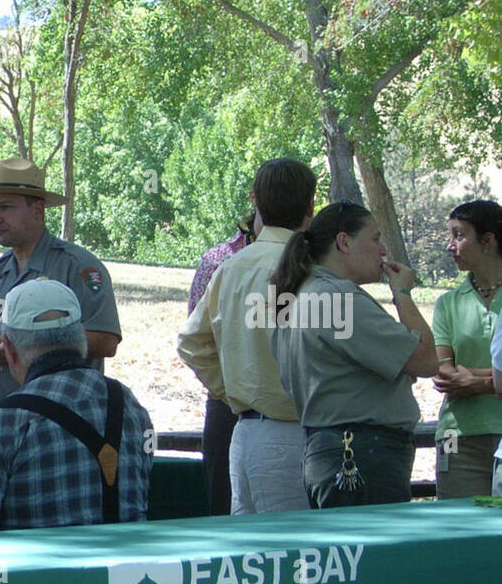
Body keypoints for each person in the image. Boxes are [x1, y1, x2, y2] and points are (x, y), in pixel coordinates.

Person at [0, 279, 152, 535]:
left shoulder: (0, 425)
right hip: (126, 570)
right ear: (81, 340)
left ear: (10, 350)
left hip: (40, 574)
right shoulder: (130, 405)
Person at [268, 201, 439, 508]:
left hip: (328, 450)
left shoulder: (298, 294)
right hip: (361, 455)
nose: (383, 251)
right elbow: (427, 360)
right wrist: (402, 294)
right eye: (375, 239)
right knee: (378, 555)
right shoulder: (339, 300)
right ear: (343, 241)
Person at [178, 158, 317, 514]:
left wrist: (232, 388)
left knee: (249, 557)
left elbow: (192, 343)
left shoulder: (229, 268)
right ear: (310, 207)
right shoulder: (313, 271)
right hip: (295, 432)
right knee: (295, 556)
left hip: (244, 432)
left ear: (255, 201)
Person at [0, 158, 122, 405]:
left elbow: (107, 342)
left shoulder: (76, 266)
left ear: (38, 210)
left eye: (6, 207)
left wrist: (23, 348)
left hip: (66, 419)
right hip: (5, 419)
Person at [431, 199, 502, 498]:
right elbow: (443, 371)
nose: (450, 246)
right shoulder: (448, 303)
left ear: (487, 241)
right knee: (458, 533)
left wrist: (479, 383)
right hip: (455, 435)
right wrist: (495, 380)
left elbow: (459, 371)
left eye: (458, 235)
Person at [188, 209, 256, 516]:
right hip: (227, 403)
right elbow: (195, 337)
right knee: (222, 502)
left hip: (289, 412)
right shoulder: (218, 260)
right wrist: (228, 391)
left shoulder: (303, 258)